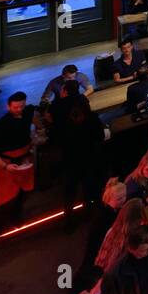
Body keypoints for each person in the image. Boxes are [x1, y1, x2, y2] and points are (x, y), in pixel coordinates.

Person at [0, 92, 36, 233]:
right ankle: (0, 229)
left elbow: (34, 115)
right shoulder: (0, 127)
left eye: (21, 106)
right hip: (8, 163)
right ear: (8, 107)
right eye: (15, 107)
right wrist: (5, 166)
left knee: (23, 193)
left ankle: (16, 219)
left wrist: (36, 134)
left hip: (25, 160)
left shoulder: (27, 113)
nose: (19, 109)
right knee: (6, 199)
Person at [57, 95, 106, 225]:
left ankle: (68, 219)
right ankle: (88, 214)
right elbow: (100, 136)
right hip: (88, 159)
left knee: (70, 191)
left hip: (71, 162)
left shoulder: (65, 122)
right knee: (88, 188)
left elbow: (59, 142)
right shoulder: (92, 118)